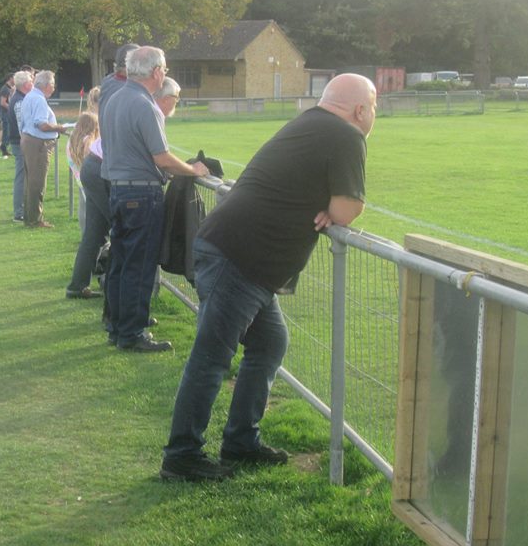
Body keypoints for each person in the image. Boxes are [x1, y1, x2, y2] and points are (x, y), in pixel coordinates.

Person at [160, 73, 377, 481]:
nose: (375, 114)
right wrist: (335, 209)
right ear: (361, 109)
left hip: (240, 256)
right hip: (239, 257)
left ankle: (241, 440)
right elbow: (347, 209)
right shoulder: (347, 135)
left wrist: (331, 206)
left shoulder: (309, 122)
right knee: (211, 357)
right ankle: (181, 455)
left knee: (270, 342)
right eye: (375, 106)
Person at [101, 46, 210, 352]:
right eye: (165, 68)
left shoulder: (114, 99)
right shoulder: (144, 105)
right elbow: (161, 157)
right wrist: (192, 169)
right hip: (142, 194)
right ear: (157, 72)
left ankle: (117, 325)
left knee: (121, 263)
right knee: (139, 266)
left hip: (119, 190)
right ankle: (132, 333)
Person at [65, 112, 106, 299]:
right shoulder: (88, 141)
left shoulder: (71, 141)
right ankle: (107, 280)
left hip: (84, 186)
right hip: (95, 186)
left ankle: (78, 285)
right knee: (115, 228)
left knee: (93, 235)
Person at [19, 69, 67, 228]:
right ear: (45, 85)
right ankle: (35, 219)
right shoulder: (39, 99)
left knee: (30, 181)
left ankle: (29, 217)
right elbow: (42, 124)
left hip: (29, 140)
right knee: (37, 183)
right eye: (52, 85)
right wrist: (60, 127)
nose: (54, 88)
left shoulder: (29, 96)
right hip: (38, 144)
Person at [7, 69, 34, 222]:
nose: (33, 83)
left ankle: (23, 209)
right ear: (25, 85)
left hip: (19, 143)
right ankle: (19, 212)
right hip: (20, 144)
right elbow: (21, 127)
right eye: (31, 81)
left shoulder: (20, 98)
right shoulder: (19, 101)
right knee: (21, 177)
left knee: (23, 176)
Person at [0, 73, 15, 157]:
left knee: (8, 132)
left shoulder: (10, 88)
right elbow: (3, 103)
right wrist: (12, 108)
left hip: (8, 114)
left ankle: (4, 148)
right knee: (6, 132)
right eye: (14, 78)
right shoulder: (5, 89)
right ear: (10, 78)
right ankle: (3, 148)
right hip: (5, 114)